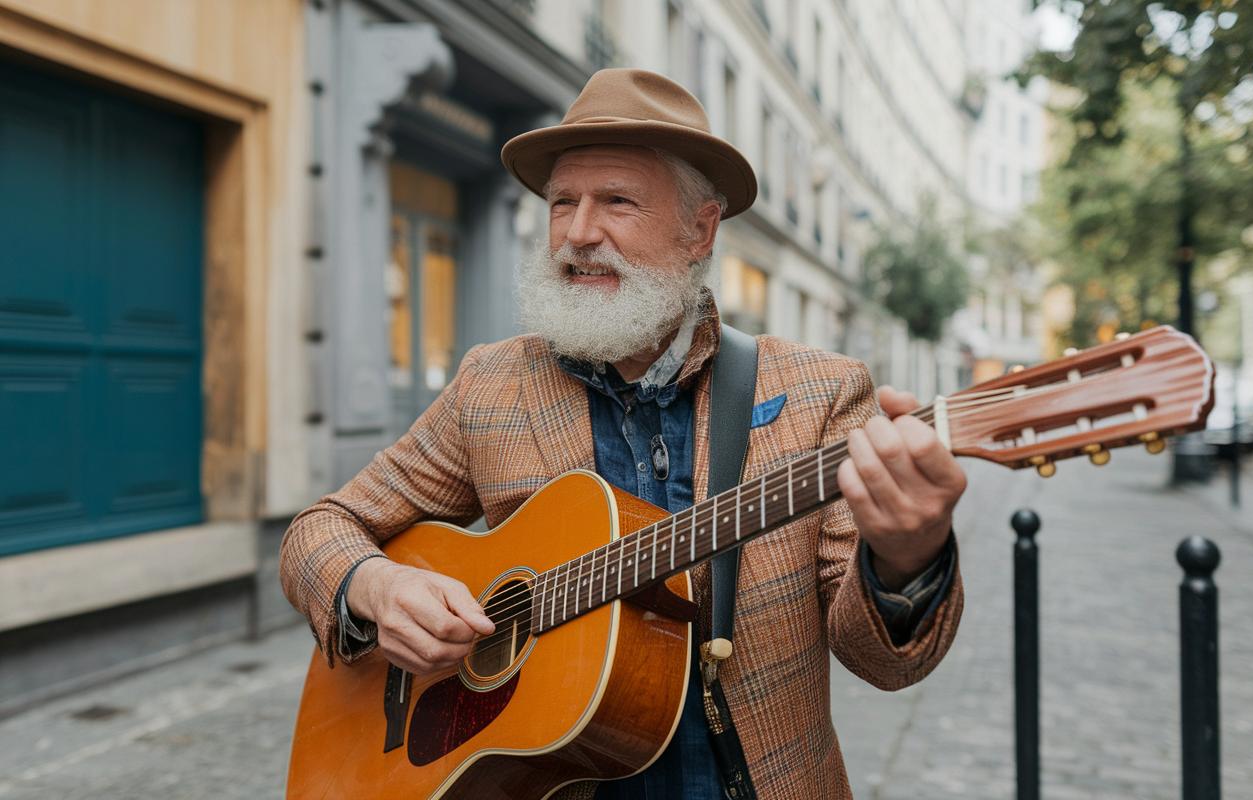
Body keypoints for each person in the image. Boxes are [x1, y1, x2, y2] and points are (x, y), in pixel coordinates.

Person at [280, 68, 965, 799]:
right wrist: (373, 585)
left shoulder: (817, 393)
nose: (578, 233)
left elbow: (889, 664)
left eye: (617, 202)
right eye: (562, 203)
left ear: (699, 230)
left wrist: (905, 557)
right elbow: (319, 531)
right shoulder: (493, 385)